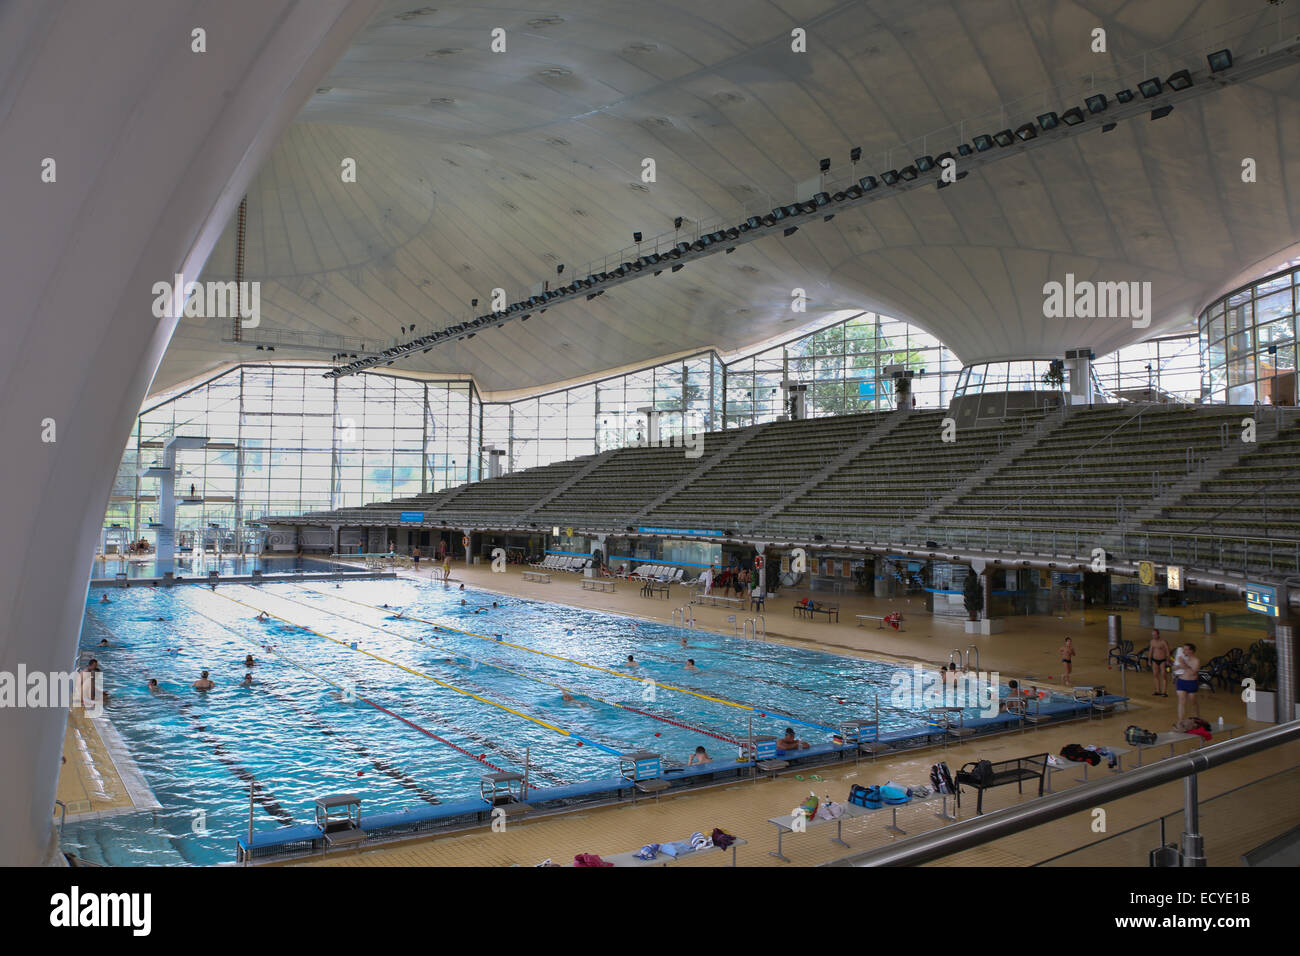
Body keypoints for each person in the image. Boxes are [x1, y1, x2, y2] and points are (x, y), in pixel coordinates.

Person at [1173, 643, 1201, 720]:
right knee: (1181, 702)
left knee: (1193, 702)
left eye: (1185, 649)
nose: (1183, 651)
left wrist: (1183, 664)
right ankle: (1180, 720)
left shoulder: (1196, 661)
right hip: (1181, 681)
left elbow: (1193, 672)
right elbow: (1174, 668)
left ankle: (1197, 716)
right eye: (1183, 649)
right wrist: (1179, 665)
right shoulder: (1181, 659)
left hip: (1191, 683)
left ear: (1191, 651)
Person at [1148, 628, 1171, 697]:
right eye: (1153, 635)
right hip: (1155, 660)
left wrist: (1168, 660)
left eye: (1155, 635)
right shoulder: (1152, 642)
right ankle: (1158, 691)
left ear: (1158, 634)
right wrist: (1149, 660)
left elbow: (1168, 651)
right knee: (1155, 675)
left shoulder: (1163, 642)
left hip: (1162, 660)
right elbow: (1151, 651)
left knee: (1163, 675)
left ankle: (1164, 692)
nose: (1154, 636)